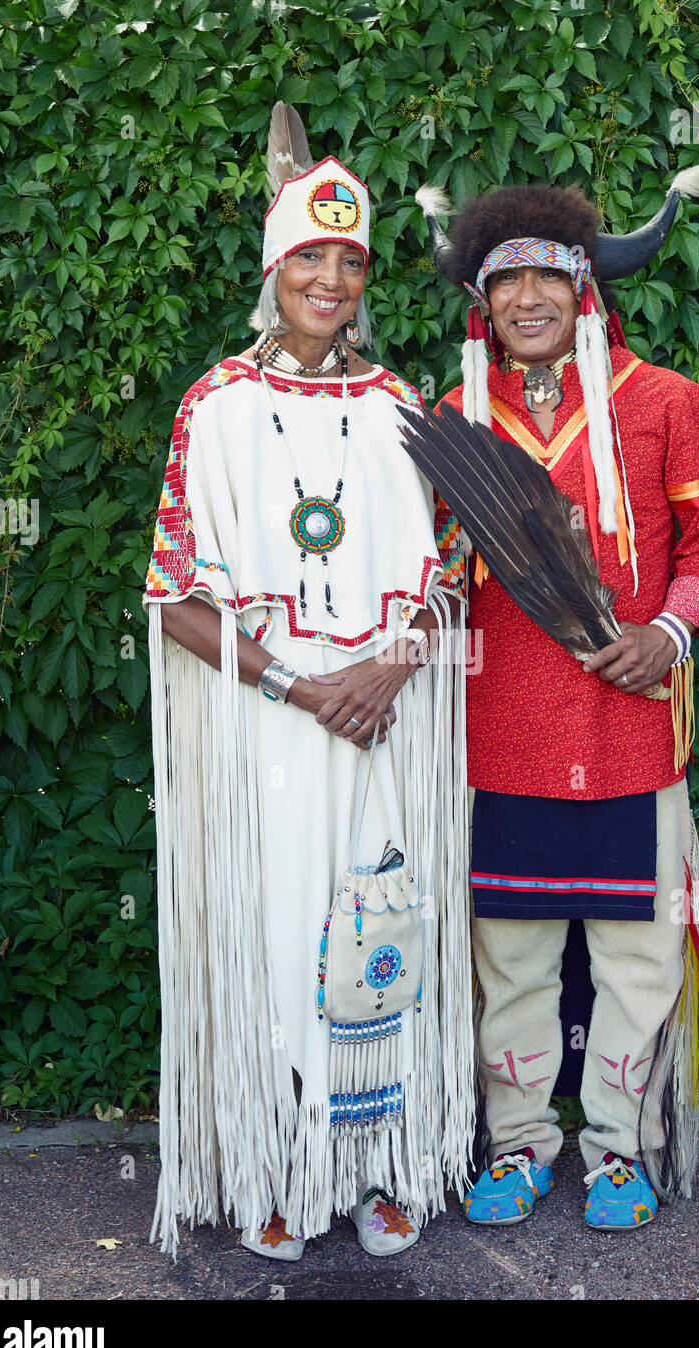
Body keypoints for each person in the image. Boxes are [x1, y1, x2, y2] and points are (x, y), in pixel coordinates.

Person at [142, 108, 473, 1262]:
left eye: (349, 261)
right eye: (309, 258)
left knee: (379, 927)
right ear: (274, 267)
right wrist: (298, 683)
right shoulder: (215, 406)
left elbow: (446, 582)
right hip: (265, 732)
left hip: (381, 723)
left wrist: (383, 669)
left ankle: (381, 1168)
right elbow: (176, 594)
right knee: (281, 937)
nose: (329, 278)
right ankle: (282, 1169)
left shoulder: (398, 410)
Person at [416, 172, 699, 1231]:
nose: (528, 298)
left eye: (547, 277)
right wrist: (443, 569)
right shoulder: (451, 422)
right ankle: (519, 1141)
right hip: (501, 735)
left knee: (637, 952)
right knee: (510, 952)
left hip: (630, 732)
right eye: (506, 279)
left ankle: (622, 1146)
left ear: (584, 289)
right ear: (483, 300)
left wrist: (668, 631)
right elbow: (416, 572)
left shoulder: (664, 402)